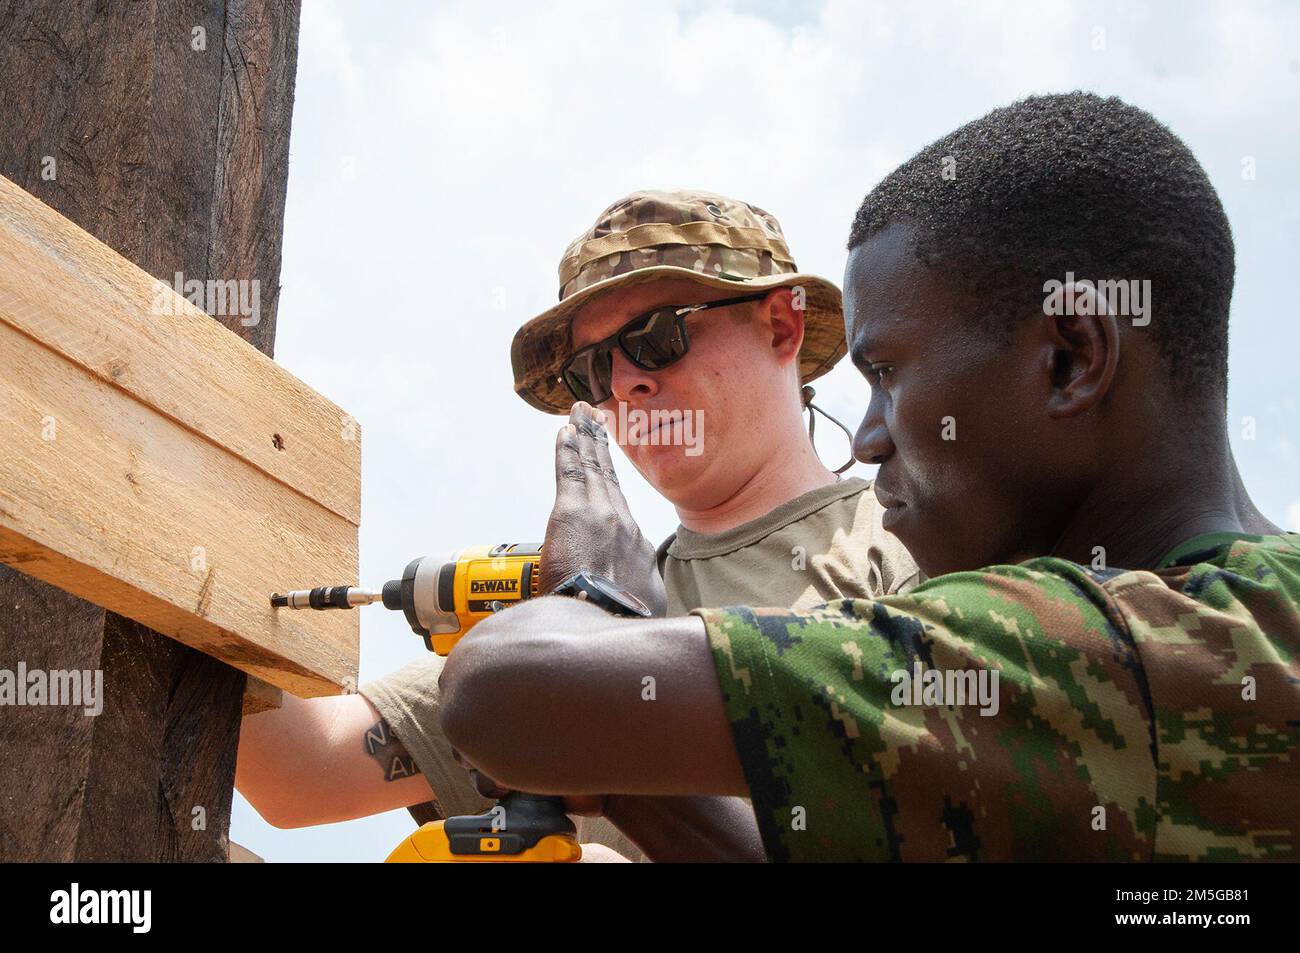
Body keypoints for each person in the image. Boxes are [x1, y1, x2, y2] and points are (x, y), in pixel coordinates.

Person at [437, 92, 1300, 861]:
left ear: (1071, 360)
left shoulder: (1078, 649)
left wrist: (593, 594)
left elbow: (501, 690)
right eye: (595, 373)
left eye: (887, 373)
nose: (872, 435)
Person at [235, 190, 919, 861]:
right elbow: (303, 770)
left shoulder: (908, 544)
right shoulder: (574, 608)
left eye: (656, 337)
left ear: (780, 324)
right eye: (593, 368)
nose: (623, 385)